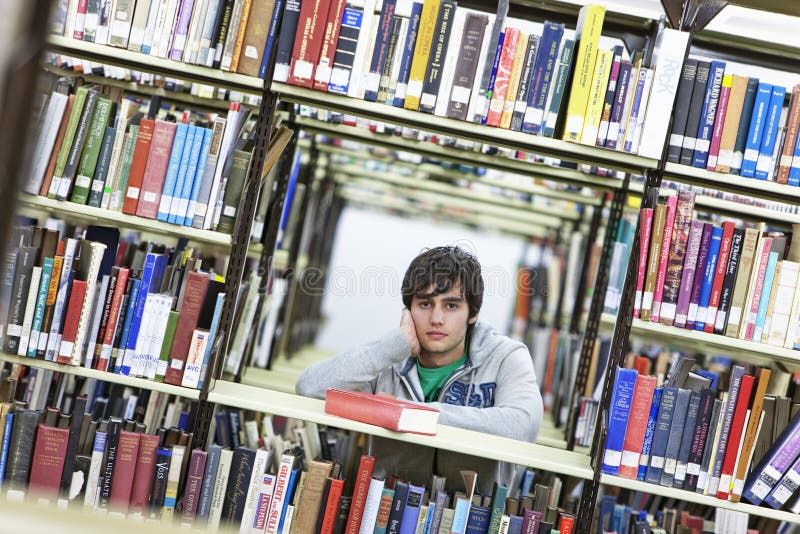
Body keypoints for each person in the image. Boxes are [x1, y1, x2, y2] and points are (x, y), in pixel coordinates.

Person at [295, 246, 543, 495]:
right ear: (408, 310)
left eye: (451, 306)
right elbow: (309, 388)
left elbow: (523, 427)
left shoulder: (505, 357)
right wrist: (388, 349)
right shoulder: (387, 360)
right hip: (386, 511)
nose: (436, 318)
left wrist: (408, 414)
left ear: (473, 313)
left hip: (473, 518)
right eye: (425, 304)